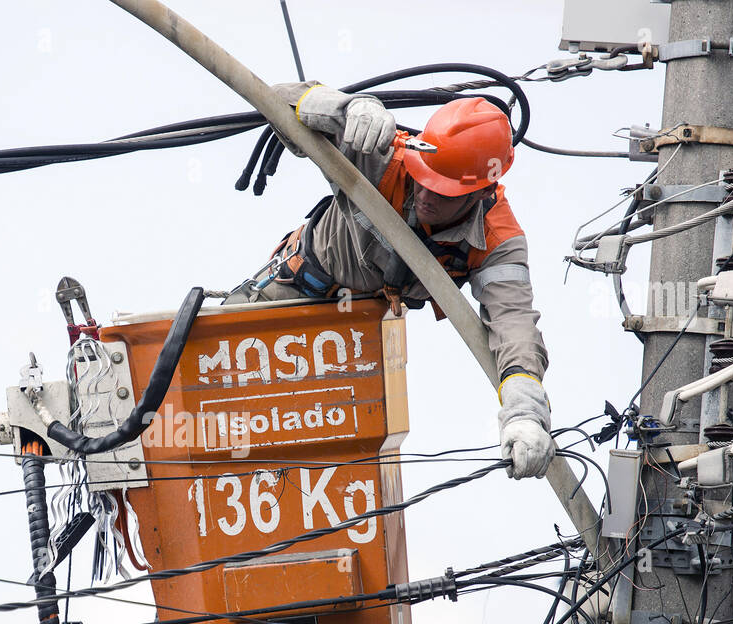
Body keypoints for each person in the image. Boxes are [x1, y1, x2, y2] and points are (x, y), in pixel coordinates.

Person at [224, 83, 556, 480]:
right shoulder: (381, 155)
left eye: (445, 192)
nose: (428, 195)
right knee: (210, 375)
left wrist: (525, 413)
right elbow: (274, 98)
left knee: (318, 454)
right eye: (425, 179)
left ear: (481, 191)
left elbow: (513, 324)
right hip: (291, 291)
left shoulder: (496, 238)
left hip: (359, 335)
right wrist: (345, 110)